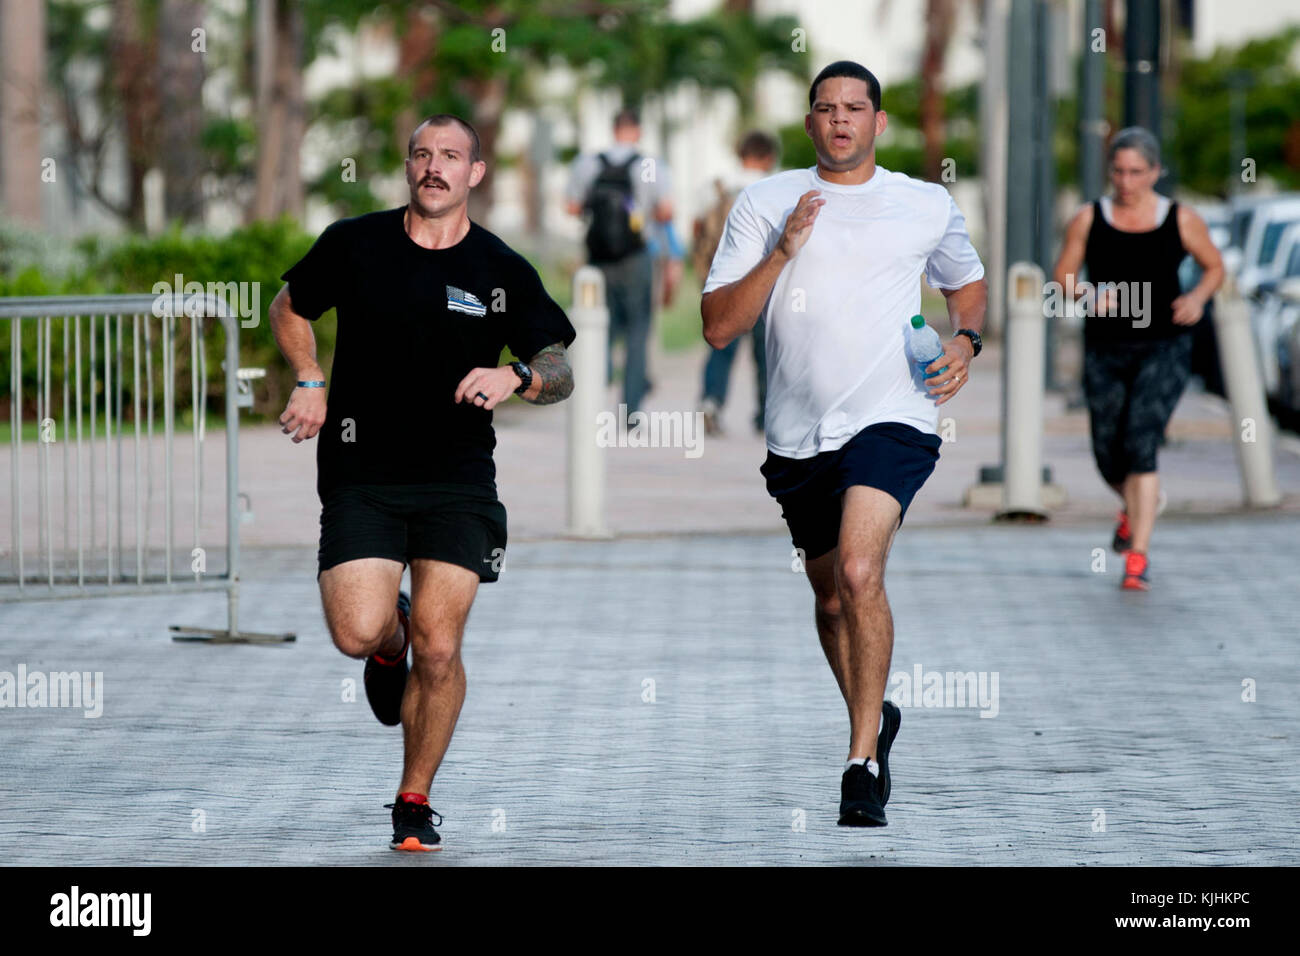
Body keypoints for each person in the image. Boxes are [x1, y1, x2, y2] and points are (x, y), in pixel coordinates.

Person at [270, 114, 576, 851]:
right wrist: (310, 378)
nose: (433, 166)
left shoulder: (501, 270)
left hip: (458, 480)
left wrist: (518, 375)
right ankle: (388, 639)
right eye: (421, 154)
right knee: (355, 631)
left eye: (451, 156)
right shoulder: (355, 244)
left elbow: (559, 366)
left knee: (441, 649)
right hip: (361, 474)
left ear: (477, 172)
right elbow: (289, 306)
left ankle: (415, 796)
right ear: (408, 167)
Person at [701, 61, 986, 827]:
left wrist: (968, 340)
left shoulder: (923, 202)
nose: (840, 121)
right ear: (809, 124)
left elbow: (967, 282)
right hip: (797, 437)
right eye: (825, 109)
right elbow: (719, 326)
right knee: (830, 600)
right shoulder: (764, 202)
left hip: (894, 416)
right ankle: (876, 712)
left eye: (855, 108)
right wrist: (784, 249)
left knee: (861, 572)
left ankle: (861, 762)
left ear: (878, 121)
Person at [1052, 126, 1223, 591]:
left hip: (1165, 345)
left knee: (1141, 440)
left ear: (1155, 172)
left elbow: (1215, 266)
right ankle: (1138, 503)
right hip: (1106, 348)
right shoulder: (1089, 218)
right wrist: (1085, 292)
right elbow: (1063, 274)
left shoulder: (1180, 218)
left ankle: (1137, 558)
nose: (1126, 182)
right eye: (1118, 171)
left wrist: (1198, 298)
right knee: (1108, 453)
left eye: (1136, 172)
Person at [566, 107, 674, 417]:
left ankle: (591, 399)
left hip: (597, 258)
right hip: (637, 257)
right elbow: (666, 211)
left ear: (613, 130)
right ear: (637, 131)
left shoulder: (587, 162)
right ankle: (630, 410)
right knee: (638, 331)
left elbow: (571, 207)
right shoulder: (650, 165)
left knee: (601, 329)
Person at [694, 131, 781, 435]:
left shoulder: (718, 187)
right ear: (768, 157)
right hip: (765, 284)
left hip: (724, 281)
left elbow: (698, 227)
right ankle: (766, 414)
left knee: (721, 345)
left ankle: (711, 402)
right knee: (766, 350)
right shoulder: (776, 186)